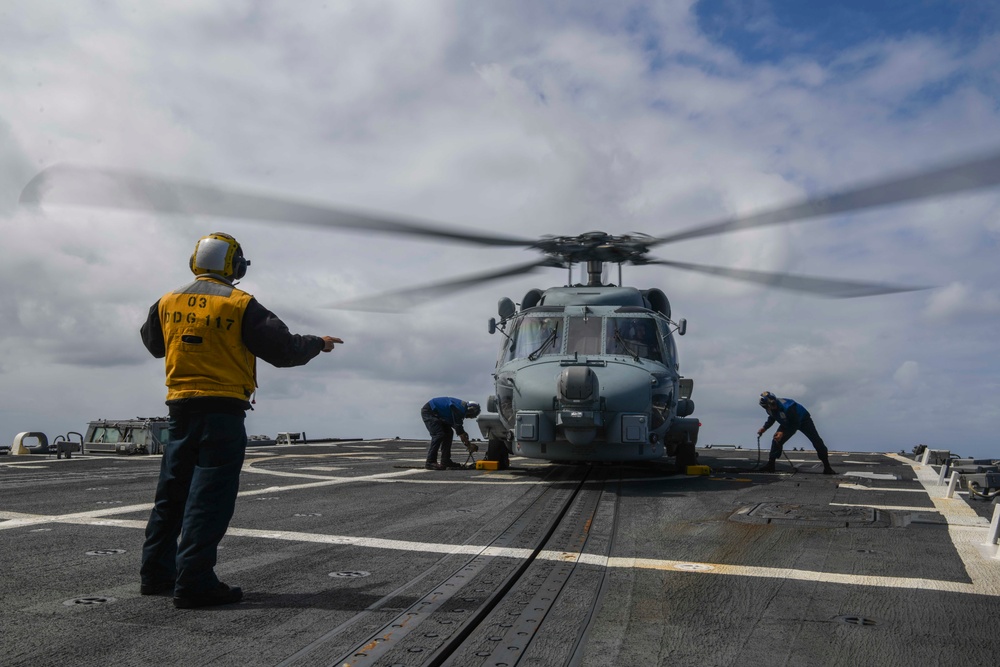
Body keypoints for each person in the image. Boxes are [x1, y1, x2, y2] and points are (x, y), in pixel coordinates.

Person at [139, 232, 343, 608]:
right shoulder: (240, 303)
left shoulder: (167, 300)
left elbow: (154, 345)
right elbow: (284, 350)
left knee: (171, 494)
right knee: (209, 497)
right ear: (234, 266)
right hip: (222, 411)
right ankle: (195, 582)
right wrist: (319, 342)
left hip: (179, 409)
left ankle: (156, 574)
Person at [757, 391, 836, 475]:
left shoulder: (789, 407)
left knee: (817, 441)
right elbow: (773, 416)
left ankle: (827, 467)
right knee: (776, 440)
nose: (770, 407)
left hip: (802, 420)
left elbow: (795, 424)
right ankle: (771, 465)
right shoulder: (769, 408)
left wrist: (783, 433)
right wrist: (764, 428)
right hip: (787, 421)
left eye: (770, 405)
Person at [420, 397, 481, 470]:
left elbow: (457, 426)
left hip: (437, 413)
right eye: (472, 415)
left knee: (448, 433)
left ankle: (445, 461)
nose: (469, 417)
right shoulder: (459, 409)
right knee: (438, 434)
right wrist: (468, 444)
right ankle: (430, 462)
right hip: (429, 412)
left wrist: (463, 433)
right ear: (470, 410)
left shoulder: (460, 408)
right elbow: (459, 429)